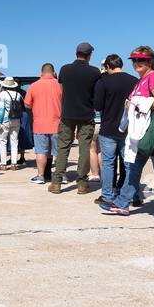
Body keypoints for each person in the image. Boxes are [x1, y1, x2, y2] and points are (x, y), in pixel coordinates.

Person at [107, 47, 154, 217]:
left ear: (150, 61)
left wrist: (137, 102)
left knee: (148, 168)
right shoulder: (142, 80)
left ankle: (124, 203)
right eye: (134, 60)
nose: (136, 63)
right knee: (151, 168)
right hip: (146, 132)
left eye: (141, 60)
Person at [50, 42, 99, 194]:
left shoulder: (65, 69)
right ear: (90, 54)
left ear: (76, 53)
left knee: (63, 147)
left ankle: (57, 183)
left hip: (67, 114)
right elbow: (96, 95)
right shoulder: (94, 72)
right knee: (84, 148)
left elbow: (62, 90)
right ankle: (82, 184)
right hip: (86, 114)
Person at [91, 55, 138, 208]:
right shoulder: (133, 81)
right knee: (129, 163)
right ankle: (131, 194)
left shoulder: (103, 82)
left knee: (108, 163)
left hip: (108, 127)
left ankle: (107, 196)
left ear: (108, 67)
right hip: (128, 128)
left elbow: (97, 106)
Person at [23, 63, 61, 184]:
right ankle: (61, 175)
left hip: (40, 124)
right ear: (54, 72)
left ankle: (40, 176)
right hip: (57, 123)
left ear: (41, 72)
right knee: (59, 152)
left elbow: (27, 104)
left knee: (41, 152)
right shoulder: (60, 85)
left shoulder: (33, 86)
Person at [0, 76, 22, 169]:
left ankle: (3, 164)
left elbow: (1, 109)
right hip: (16, 120)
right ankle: (14, 163)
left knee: (2, 141)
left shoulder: (3, 94)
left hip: (5, 120)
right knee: (14, 141)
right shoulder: (18, 95)